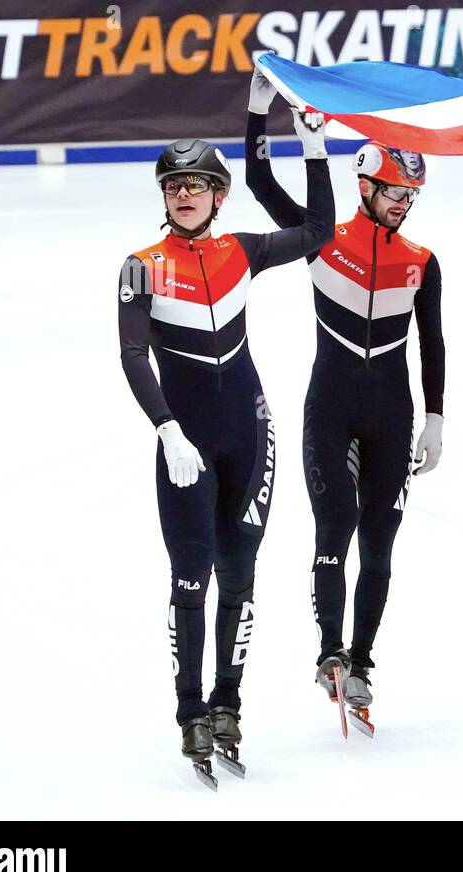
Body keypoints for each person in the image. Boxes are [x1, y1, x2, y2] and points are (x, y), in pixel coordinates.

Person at [118, 111, 333, 781]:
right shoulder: (140, 267)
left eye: (197, 183)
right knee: (191, 576)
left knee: (240, 573)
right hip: (185, 438)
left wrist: (314, 144)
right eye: (174, 184)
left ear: (218, 195)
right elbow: (131, 355)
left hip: (249, 430)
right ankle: (190, 711)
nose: (184, 193)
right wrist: (166, 427)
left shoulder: (243, 249)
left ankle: (227, 704)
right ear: (164, 196)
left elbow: (321, 232)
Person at [244, 72, 446, 720]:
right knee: (335, 529)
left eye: (411, 194)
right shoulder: (320, 237)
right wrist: (260, 109)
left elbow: (433, 343)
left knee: (381, 545)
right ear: (365, 185)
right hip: (329, 407)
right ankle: (328, 649)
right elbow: (256, 179)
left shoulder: (423, 260)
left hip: (392, 413)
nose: (403, 204)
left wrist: (435, 418)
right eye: (395, 192)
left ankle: (360, 662)